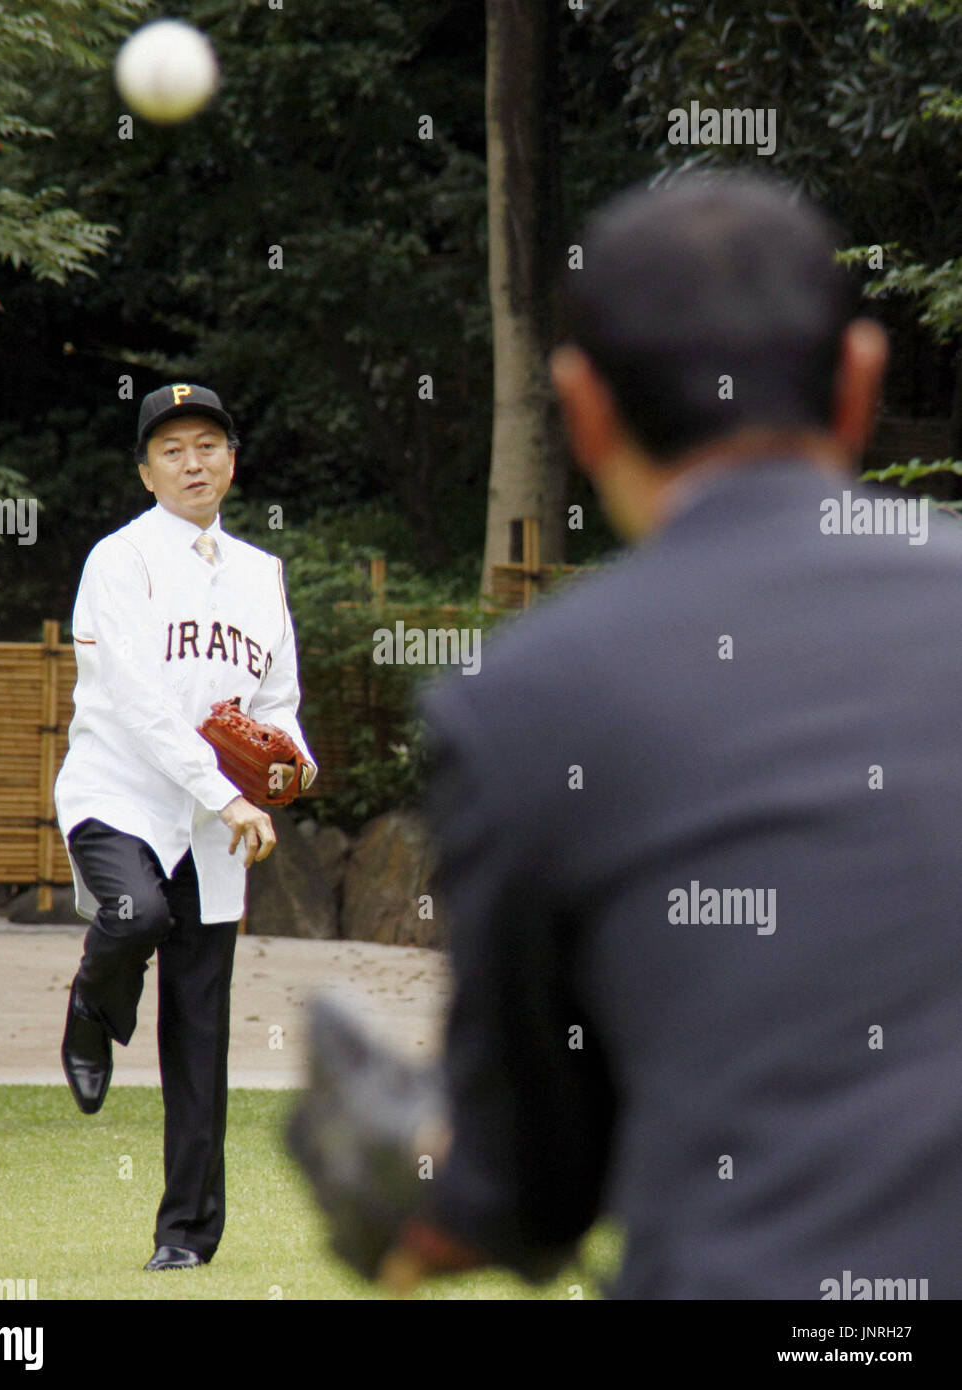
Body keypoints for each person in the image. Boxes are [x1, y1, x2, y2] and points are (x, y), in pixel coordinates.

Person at [380, 172, 962, 1297]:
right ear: (858, 380)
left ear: (583, 406)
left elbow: (534, 1182)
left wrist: (416, 1200)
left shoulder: (521, 702)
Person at [54, 382, 316, 1272]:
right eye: (172, 449)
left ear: (232, 463)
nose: (193, 461)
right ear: (145, 470)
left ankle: (186, 1236)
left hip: (215, 828)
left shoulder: (260, 574)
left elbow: (275, 701)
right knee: (137, 915)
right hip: (119, 793)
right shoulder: (118, 561)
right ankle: (93, 1006)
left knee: (200, 1035)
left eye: (207, 444)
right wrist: (228, 792)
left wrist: (290, 761)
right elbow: (137, 704)